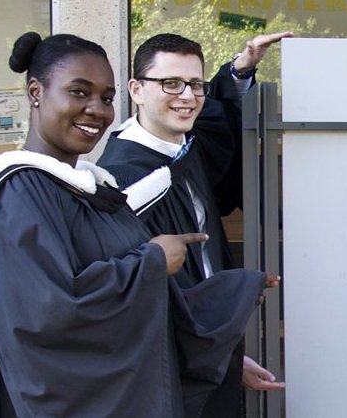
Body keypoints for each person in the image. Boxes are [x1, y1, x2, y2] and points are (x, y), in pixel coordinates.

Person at [0, 32, 270, 417]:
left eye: (106, 98)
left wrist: (229, 299)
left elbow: (132, 305)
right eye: (79, 92)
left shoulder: (90, 189)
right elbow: (47, 315)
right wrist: (152, 262)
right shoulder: (20, 193)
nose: (96, 109)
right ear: (36, 92)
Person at [98, 30, 291, 417]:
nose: (187, 96)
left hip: (208, 354)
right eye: (170, 83)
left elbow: (217, 111)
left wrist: (240, 68)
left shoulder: (185, 147)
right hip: (164, 373)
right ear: (136, 90)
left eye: (195, 84)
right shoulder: (122, 181)